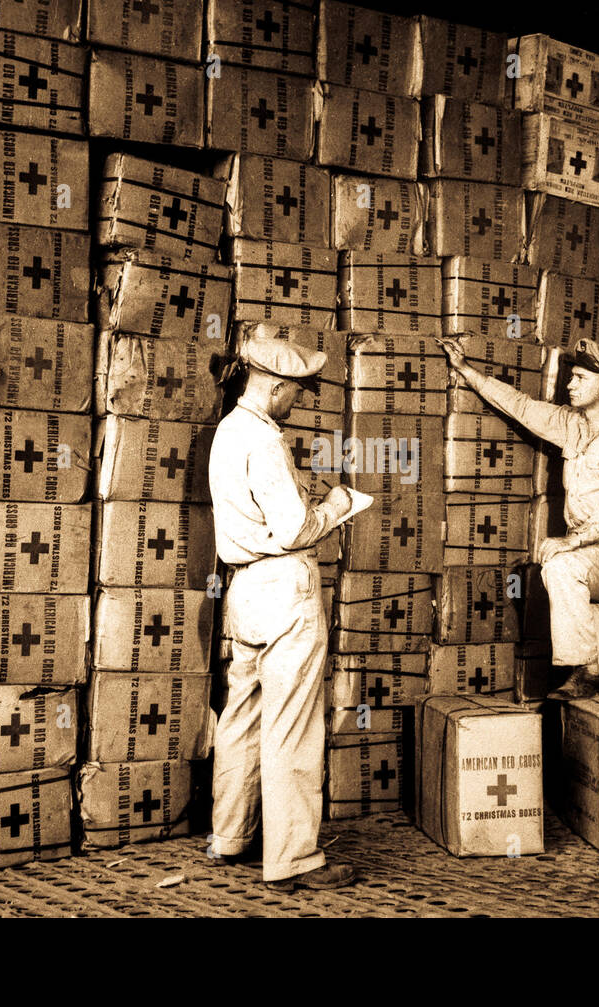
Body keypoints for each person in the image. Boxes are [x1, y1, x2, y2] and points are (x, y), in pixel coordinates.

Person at [207, 336, 359, 892]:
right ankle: (293, 859)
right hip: (284, 589)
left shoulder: (227, 431)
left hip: (243, 590)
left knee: (241, 717)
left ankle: (229, 836)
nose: (297, 401)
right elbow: (295, 529)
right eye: (295, 391)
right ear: (274, 386)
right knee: (291, 727)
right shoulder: (266, 442)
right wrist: (336, 509)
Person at [437, 334, 599, 699]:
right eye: (571, 376)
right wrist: (466, 371)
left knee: (560, 567)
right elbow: (519, 406)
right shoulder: (571, 424)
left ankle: (586, 667)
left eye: (581, 378)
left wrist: (572, 541)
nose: (570, 384)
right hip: (592, 554)